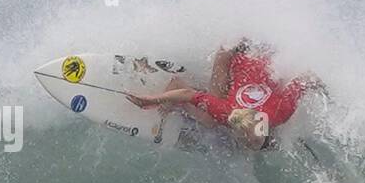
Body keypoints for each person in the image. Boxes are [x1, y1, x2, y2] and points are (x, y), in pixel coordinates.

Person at [126, 39, 325, 150]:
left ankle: (202, 84)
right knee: (209, 121)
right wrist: (151, 100)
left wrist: (330, 96)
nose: (248, 141)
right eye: (248, 139)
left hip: (261, 49)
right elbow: (187, 94)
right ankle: (175, 85)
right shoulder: (228, 112)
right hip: (232, 49)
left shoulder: (280, 111)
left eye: (250, 140)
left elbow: (308, 77)